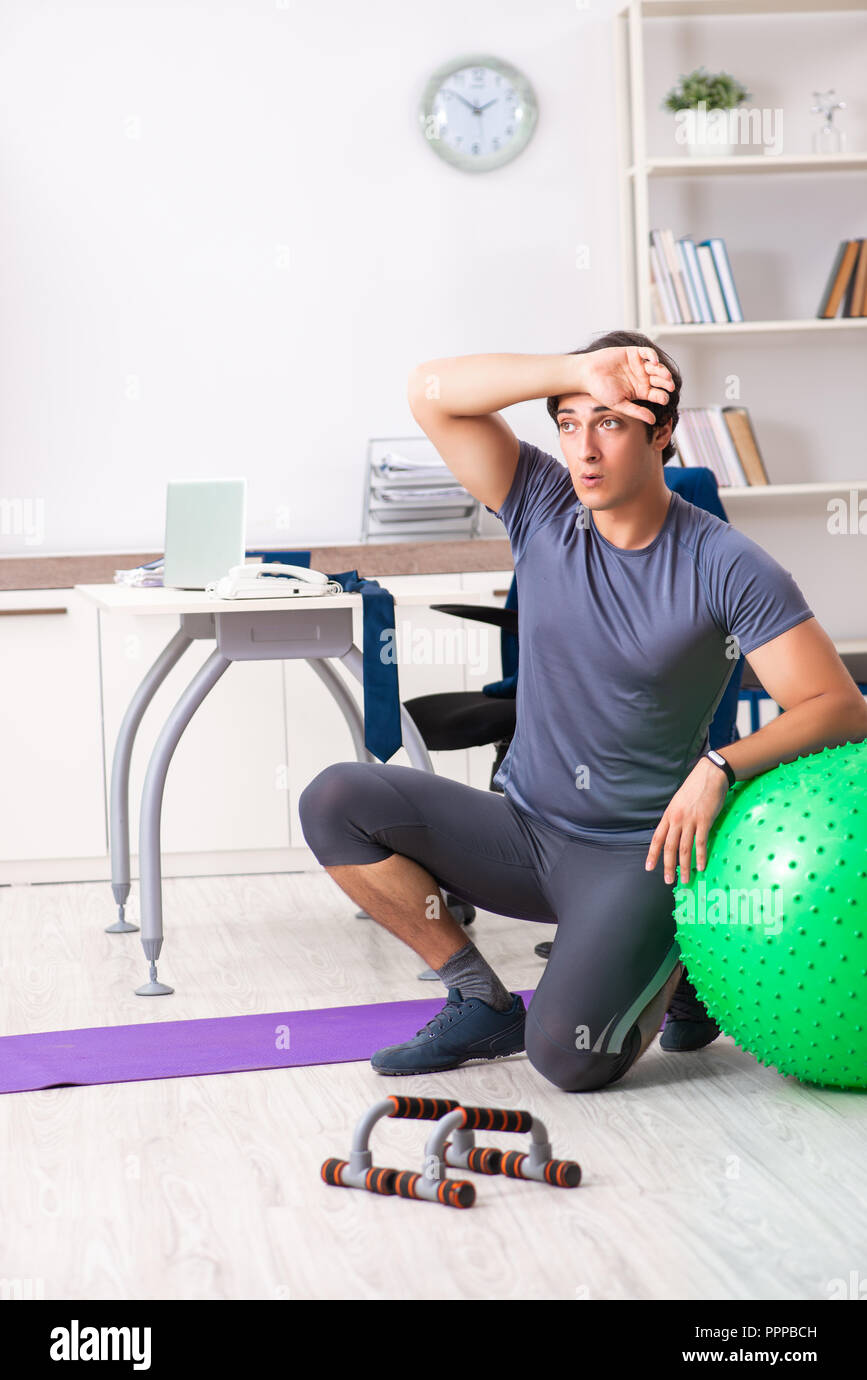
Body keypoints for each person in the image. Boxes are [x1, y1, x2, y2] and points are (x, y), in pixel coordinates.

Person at [298, 330, 867, 1091]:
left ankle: (680, 950)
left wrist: (718, 766)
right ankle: (476, 998)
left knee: (565, 1060)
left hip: (642, 854)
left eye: (608, 422)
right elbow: (428, 390)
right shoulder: (539, 503)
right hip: (525, 832)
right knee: (335, 799)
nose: (584, 450)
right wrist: (575, 372)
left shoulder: (725, 563)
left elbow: (837, 706)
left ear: (661, 433)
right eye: (568, 423)